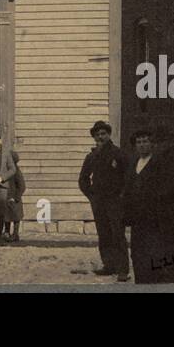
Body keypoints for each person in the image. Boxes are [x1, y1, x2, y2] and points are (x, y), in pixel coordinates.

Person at [123, 128, 174, 283]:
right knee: (137, 253)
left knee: (153, 254)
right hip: (137, 219)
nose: (142, 145)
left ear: (152, 144)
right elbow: (127, 189)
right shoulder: (133, 162)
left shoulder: (159, 163)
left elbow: (165, 191)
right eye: (138, 142)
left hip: (154, 220)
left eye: (145, 141)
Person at [78, 120, 129, 279]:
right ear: (94, 137)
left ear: (109, 134)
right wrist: (92, 196)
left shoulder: (118, 154)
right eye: (97, 134)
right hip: (99, 202)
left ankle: (122, 269)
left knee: (117, 234)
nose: (100, 137)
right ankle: (109, 265)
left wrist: (122, 196)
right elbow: (83, 179)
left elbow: (128, 178)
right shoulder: (92, 156)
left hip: (115, 202)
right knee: (104, 233)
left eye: (103, 134)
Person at [5, 151, 27, 243]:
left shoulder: (16, 171)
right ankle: (6, 233)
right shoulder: (6, 171)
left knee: (15, 217)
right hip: (6, 197)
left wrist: (16, 197)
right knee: (6, 217)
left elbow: (22, 186)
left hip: (14, 198)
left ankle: (15, 234)